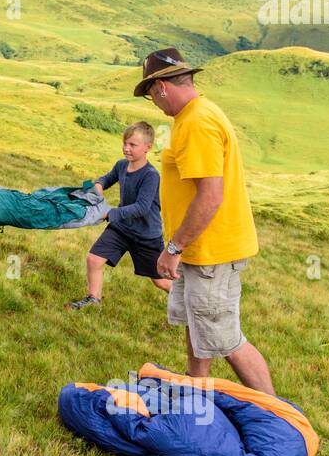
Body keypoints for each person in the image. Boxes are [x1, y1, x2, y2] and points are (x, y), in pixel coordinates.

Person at [135, 47, 275, 395]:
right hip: (200, 251)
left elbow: (211, 195)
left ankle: (282, 417)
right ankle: (195, 392)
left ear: (162, 87)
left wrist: (173, 247)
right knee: (199, 328)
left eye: (151, 94)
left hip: (211, 250)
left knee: (225, 338)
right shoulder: (195, 115)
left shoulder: (197, 122)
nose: (153, 102)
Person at [69, 120, 171, 309]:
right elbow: (106, 179)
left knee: (160, 281)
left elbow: (141, 207)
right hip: (122, 228)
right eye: (125, 143)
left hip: (146, 235)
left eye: (133, 145)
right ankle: (93, 300)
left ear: (148, 147)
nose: (126, 148)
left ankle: (186, 303)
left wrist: (110, 213)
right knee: (94, 259)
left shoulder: (151, 175)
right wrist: (98, 187)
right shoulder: (122, 166)